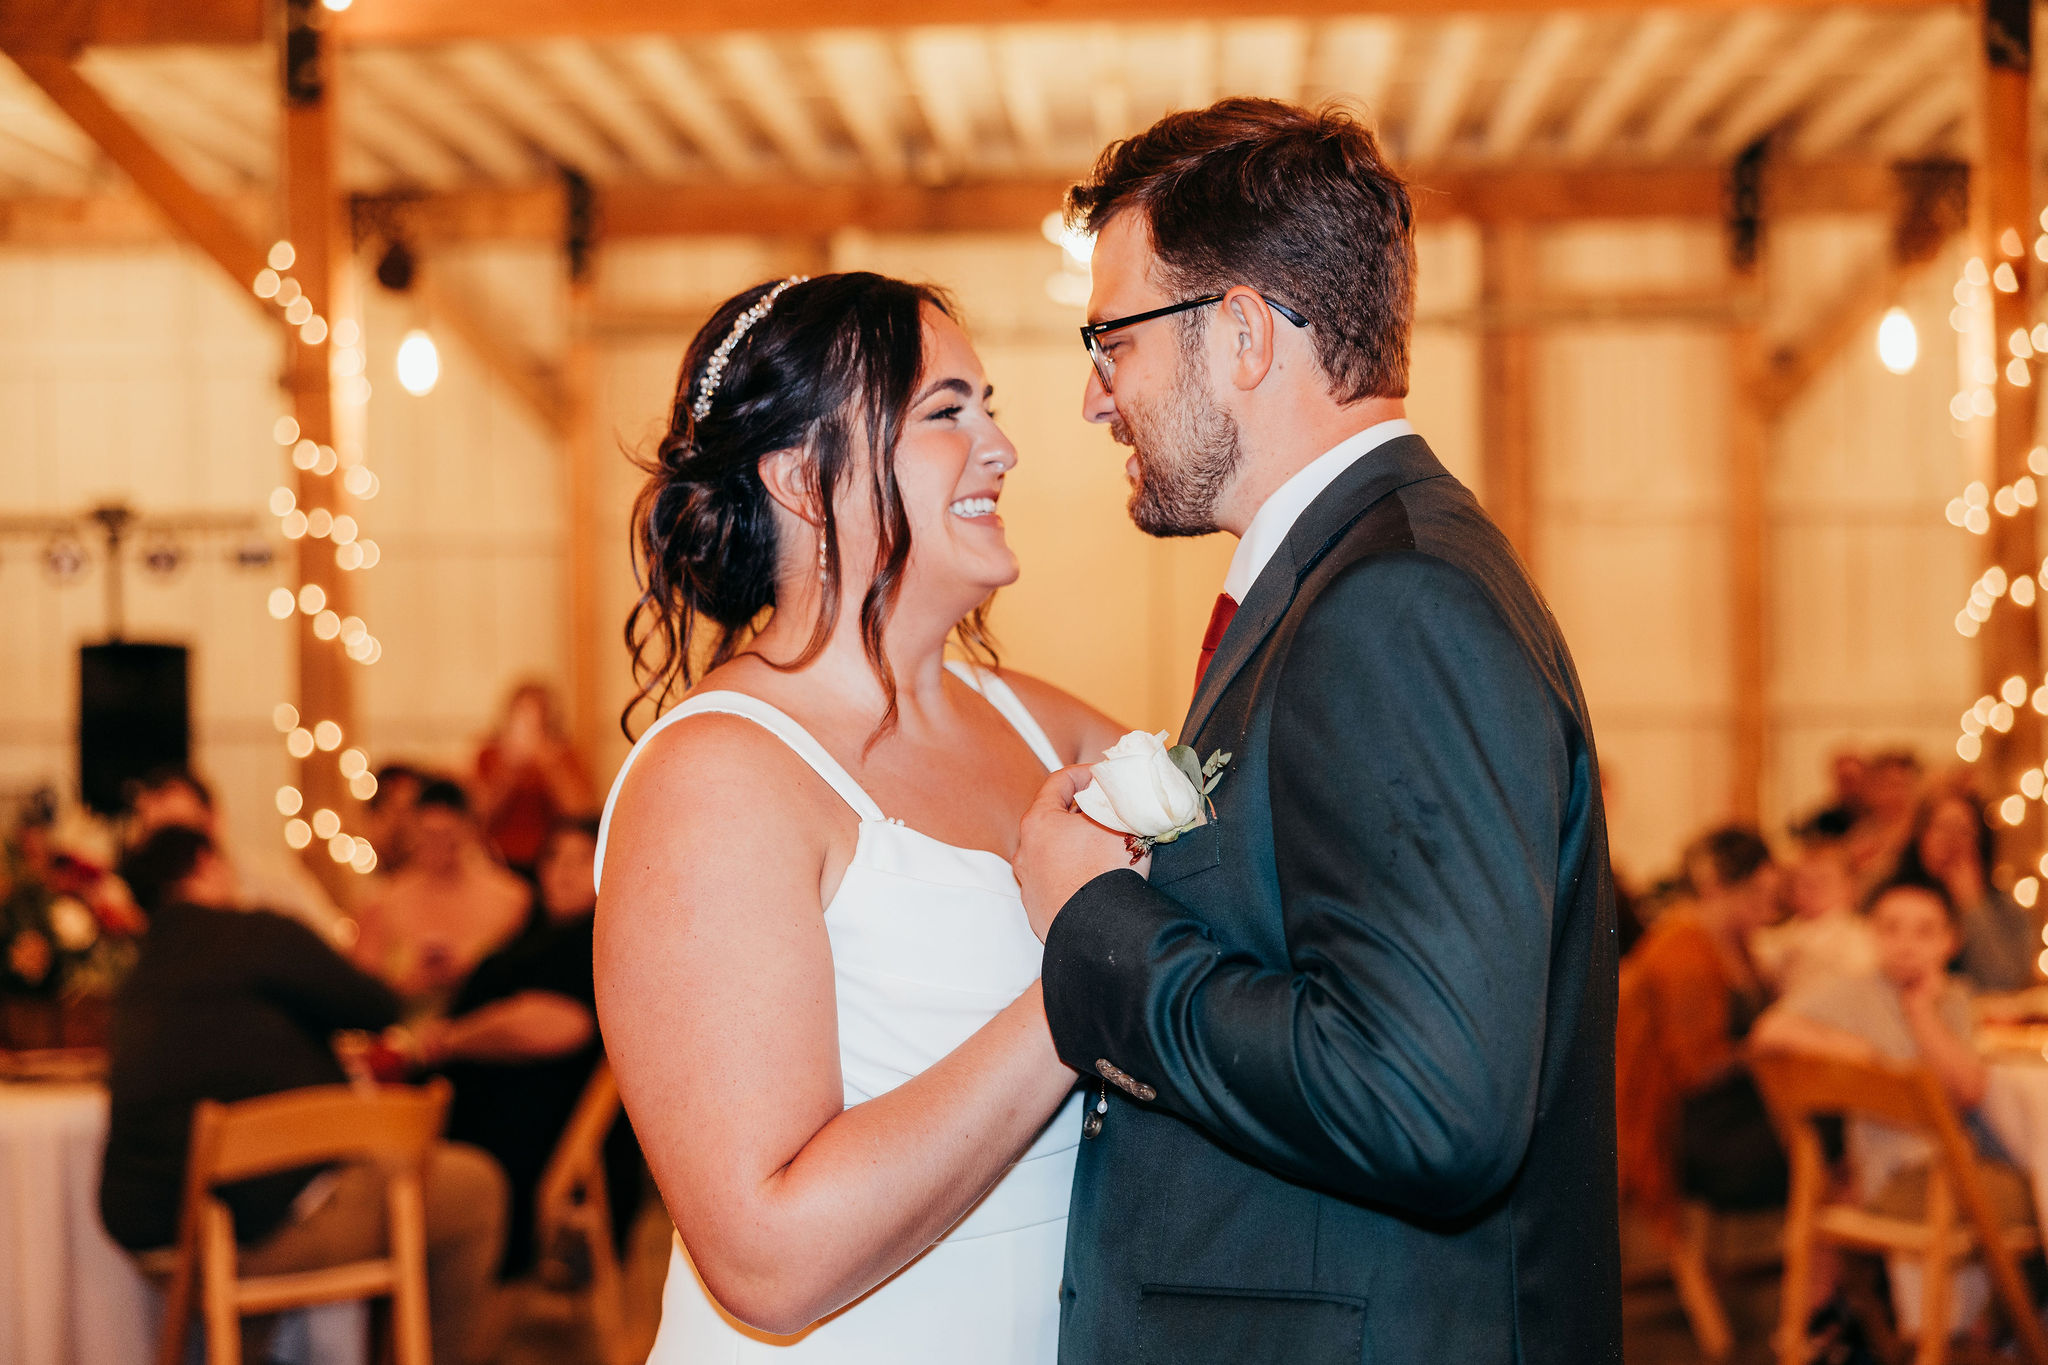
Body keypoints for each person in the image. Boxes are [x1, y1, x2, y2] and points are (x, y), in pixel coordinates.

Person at [1010, 99, 1620, 1364]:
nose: (1090, 397)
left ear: (1238, 333)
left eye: (1109, 338)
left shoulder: (1394, 604)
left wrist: (1100, 932)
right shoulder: (1349, 584)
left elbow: (1424, 1104)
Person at [596, 271, 1127, 1361]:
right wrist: (1084, 982)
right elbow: (767, 1261)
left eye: (988, 407)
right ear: (800, 478)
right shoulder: (719, 779)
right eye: (944, 412)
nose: (999, 447)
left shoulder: (1040, 730)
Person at [101, 826, 507, 1365]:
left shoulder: (138, 980)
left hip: (159, 1236)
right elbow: (372, 1007)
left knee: (290, 1188)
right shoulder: (255, 934)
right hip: (261, 1230)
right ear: (205, 864)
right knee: (474, 1187)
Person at [1752, 872, 2026, 1342]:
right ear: (1872, 933)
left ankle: (1977, 1331)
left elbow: (1967, 1086)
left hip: (1915, 1183)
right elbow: (1768, 1033)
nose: (1906, 945)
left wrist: (1922, 1013)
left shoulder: (1953, 995)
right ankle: (2010, 1334)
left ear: (1950, 941)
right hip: (1914, 1186)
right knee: (2034, 1193)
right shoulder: (1855, 993)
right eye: (1891, 928)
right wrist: (1859, 1053)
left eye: (1924, 931)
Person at [406, 817, 639, 1280]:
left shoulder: (595, 939)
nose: (564, 870)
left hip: (535, 1136)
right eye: (553, 856)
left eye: (581, 858)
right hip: (489, 1120)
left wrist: (452, 1039)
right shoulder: (536, 934)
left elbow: (558, 1025)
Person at [1616, 827, 1784, 1229]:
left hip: (1727, 1113)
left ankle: (1821, 1280)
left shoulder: (1733, 942)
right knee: (1829, 1142)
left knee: (1837, 1129)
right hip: (1689, 1137)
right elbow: (1697, 1070)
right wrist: (1765, 1051)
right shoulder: (1684, 951)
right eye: (1758, 893)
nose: (1769, 907)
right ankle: (1821, 1285)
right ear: (1720, 888)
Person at [351, 779, 529, 1006]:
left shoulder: (512, 897)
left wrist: (470, 972)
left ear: (470, 831)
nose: (439, 849)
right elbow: (359, 994)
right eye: (429, 837)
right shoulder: (383, 901)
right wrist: (411, 983)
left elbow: (526, 981)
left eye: (448, 838)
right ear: (413, 831)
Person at [125, 766, 343, 941]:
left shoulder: (273, 882)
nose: (173, 857)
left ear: (213, 822)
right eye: (160, 847)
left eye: (186, 842)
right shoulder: (139, 911)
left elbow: (333, 943)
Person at [1903, 789, 2037, 992]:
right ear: (1921, 836)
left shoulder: (2006, 908)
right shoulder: (1893, 896)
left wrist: (1971, 905)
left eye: (1964, 830)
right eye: (1942, 828)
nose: (1952, 840)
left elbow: (2002, 983)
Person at [474, 683, 594, 878]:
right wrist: (509, 771)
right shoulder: (490, 755)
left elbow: (579, 814)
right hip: (498, 857)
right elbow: (480, 814)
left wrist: (550, 765)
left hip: (549, 859)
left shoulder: (564, 755)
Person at [1752, 815, 1876, 998]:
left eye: (1823, 880)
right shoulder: (1781, 933)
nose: (1813, 889)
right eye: (1804, 881)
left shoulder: (1860, 936)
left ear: (1849, 888)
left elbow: (1862, 974)